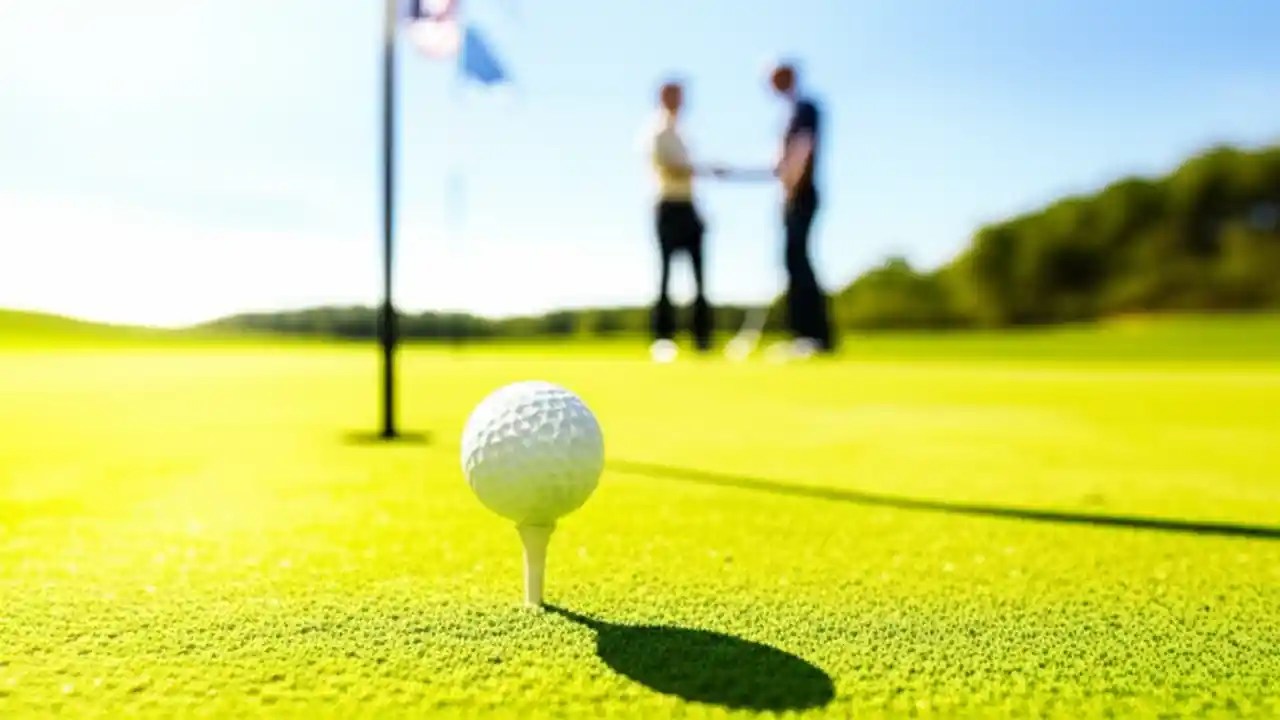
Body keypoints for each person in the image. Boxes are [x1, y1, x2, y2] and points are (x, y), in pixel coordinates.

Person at [643, 80, 724, 362]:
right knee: (666, 275)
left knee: (700, 279)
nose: (677, 99)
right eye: (672, 94)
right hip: (667, 207)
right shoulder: (657, 130)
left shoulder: (683, 133)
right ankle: (664, 339)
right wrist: (705, 169)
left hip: (690, 208)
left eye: (679, 95)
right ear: (661, 96)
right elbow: (671, 168)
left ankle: (703, 341)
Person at [767, 61, 836, 358]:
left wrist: (792, 188)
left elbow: (802, 150)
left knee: (798, 261)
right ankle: (806, 335)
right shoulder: (792, 112)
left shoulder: (804, 108)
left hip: (802, 195)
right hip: (796, 195)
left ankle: (813, 337)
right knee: (794, 261)